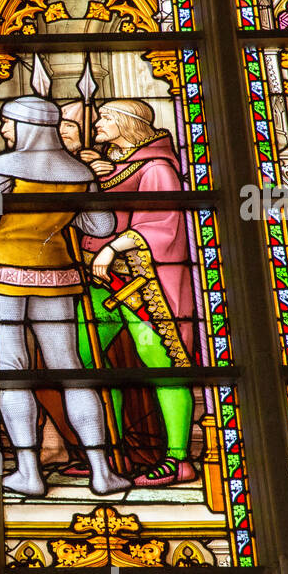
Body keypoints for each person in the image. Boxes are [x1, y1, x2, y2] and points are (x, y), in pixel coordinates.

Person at [0, 95, 129, 497]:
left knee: (11, 371)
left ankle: (29, 472)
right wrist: (88, 187)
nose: (3, 131)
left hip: (3, 277)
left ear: (26, 126)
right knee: (70, 369)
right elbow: (101, 225)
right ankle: (102, 471)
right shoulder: (77, 171)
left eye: (7, 123)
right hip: (58, 275)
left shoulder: (2, 167)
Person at [81, 99, 197, 486]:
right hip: (103, 279)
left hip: (146, 283)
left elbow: (163, 221)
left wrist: (114, 247)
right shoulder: (118, 167)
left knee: (161, 363)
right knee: (86, 360)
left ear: (128, 124)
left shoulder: (158, 167)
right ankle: (107, 450)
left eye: (105, 118)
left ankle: (178, 459)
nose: (97, 123)